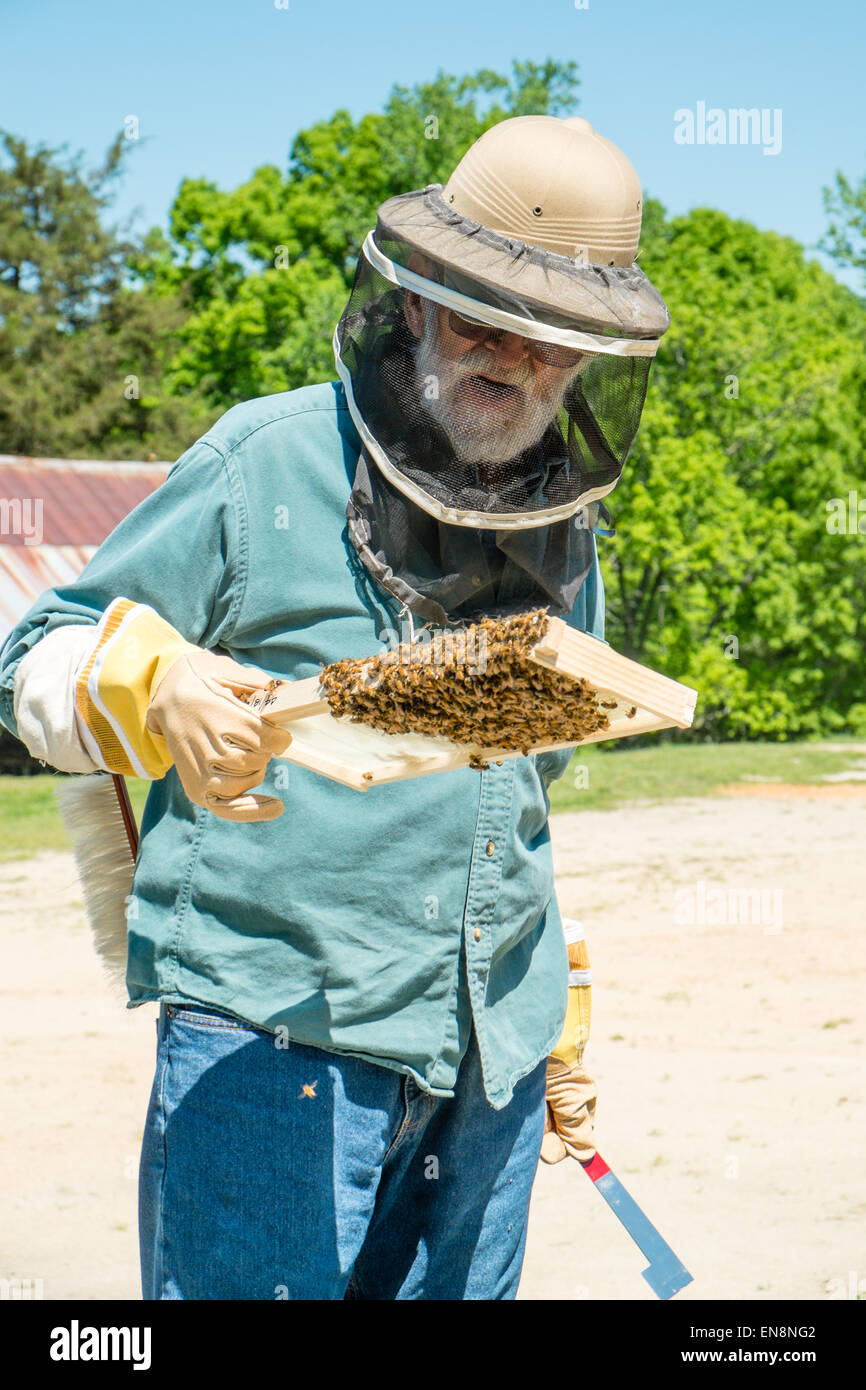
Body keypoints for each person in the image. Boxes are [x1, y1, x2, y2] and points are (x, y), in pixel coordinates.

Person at [0, 114, 670, 1300]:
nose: (512, 360)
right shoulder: (259, 461)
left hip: (490, 1070)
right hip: (270, 1049)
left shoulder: (565, 530)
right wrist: (148, 679)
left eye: (551, 340)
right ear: (412, 300)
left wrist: (550, 1001)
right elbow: (33, 650)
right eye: (481, 319)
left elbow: (517, 794)